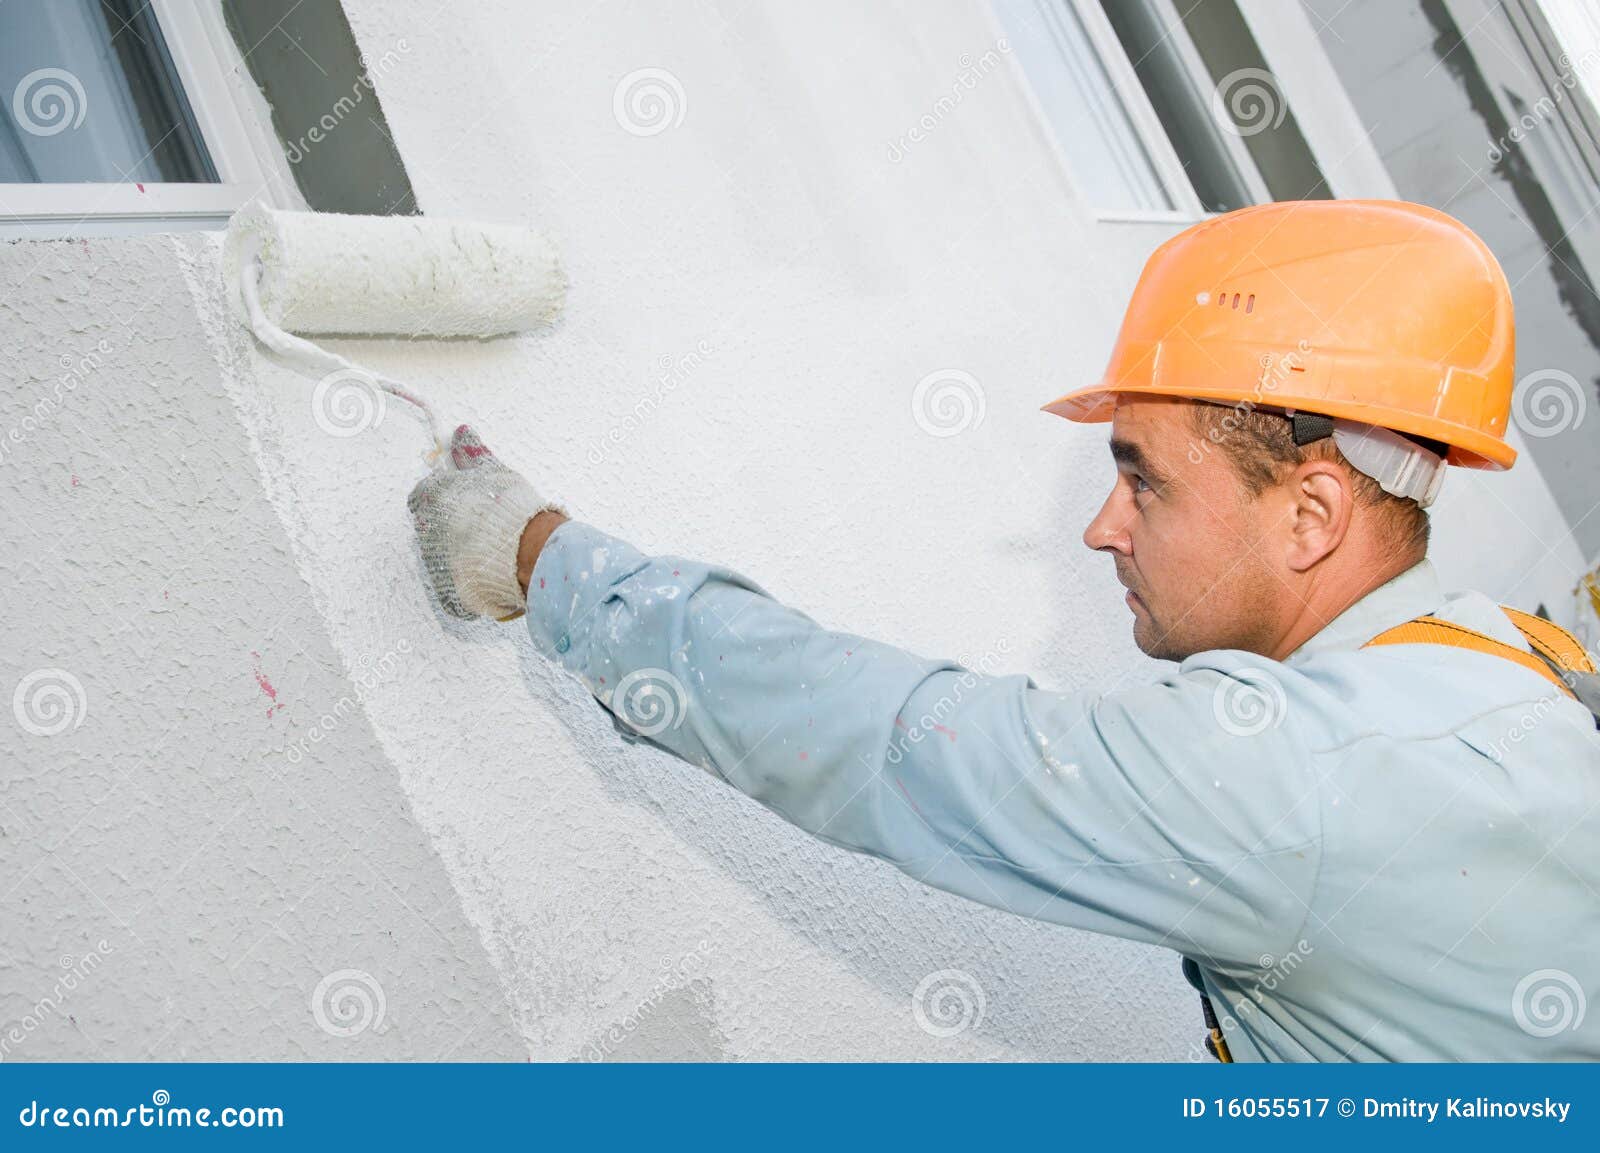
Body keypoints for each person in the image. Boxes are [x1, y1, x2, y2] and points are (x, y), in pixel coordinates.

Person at [407, 199, 1600, 1061]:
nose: (1100, 527)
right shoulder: (1512, 663)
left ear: (1309, 514)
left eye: (1144, 481)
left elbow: (890, 739)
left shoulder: (1293, 777)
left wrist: (539, 556)